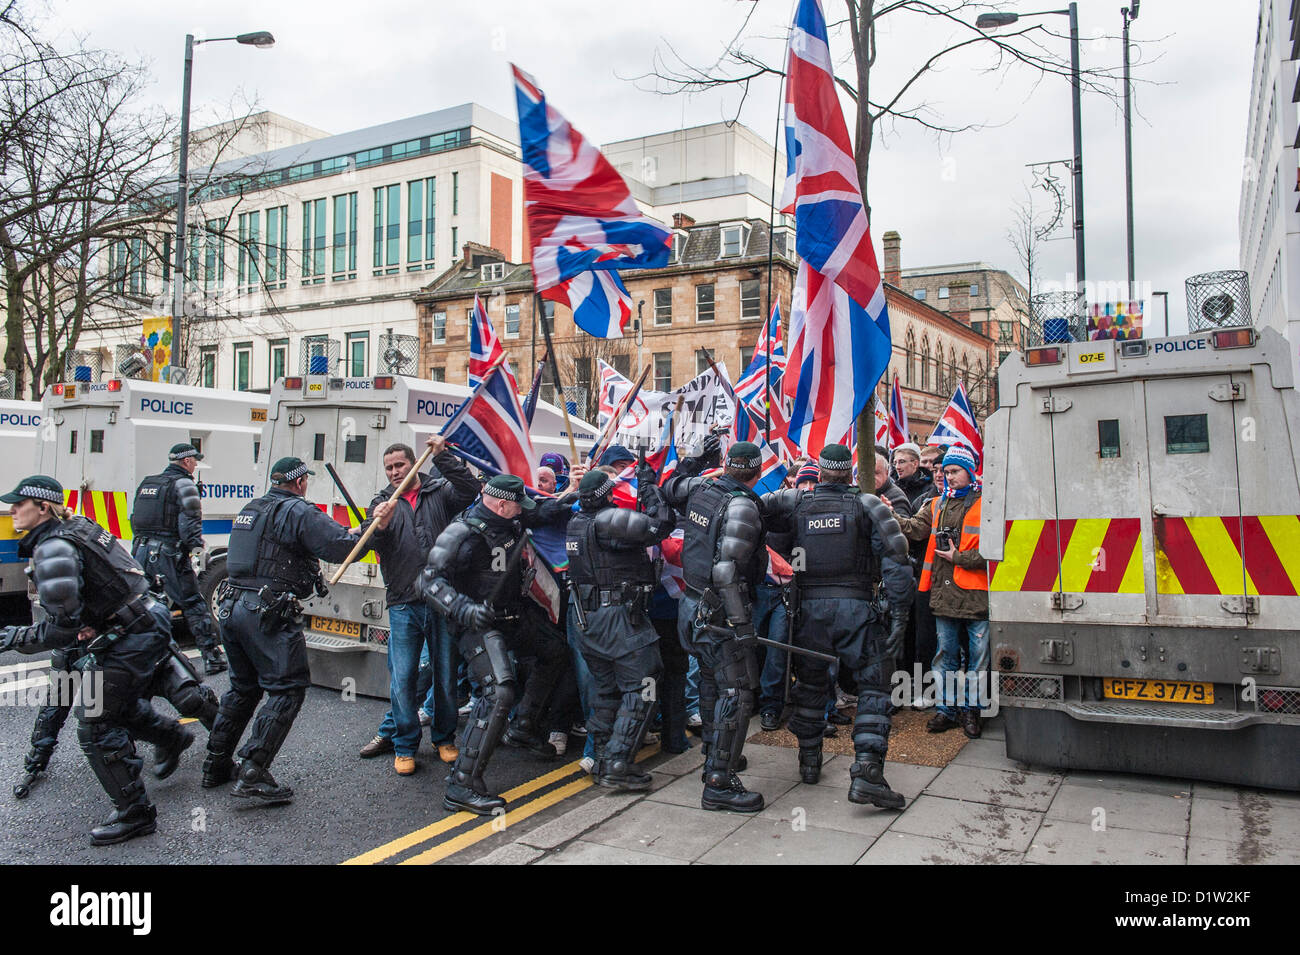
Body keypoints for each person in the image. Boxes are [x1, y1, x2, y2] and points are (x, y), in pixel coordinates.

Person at [0, 476, 194, 845]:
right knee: (113, 709)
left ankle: (135, 814)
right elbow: (111, 580)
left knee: (95, 722)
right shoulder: (77, 526)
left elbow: (59, 630)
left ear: (43, 508)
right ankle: (172, 736)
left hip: (134, 632)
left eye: (18, 504)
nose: (11, 511)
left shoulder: (54, 546)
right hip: (140, 623)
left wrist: (14, 638)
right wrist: (89, 622)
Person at [203, 457, 370, 804]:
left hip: (232, 607)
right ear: (299, 482)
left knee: (243, 689)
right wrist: (373, 529)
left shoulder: (253, 508)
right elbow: (341, 548)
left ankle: (216, 764)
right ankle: (252, 771)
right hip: (267, 614)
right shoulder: (297, 511)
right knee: (288, 689)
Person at [761, 444, 915, 809]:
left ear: (820, 470)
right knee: (875, 687)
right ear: (849, 472)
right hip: (857, 609)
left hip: (809, 611)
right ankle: (867, 772)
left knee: (812, 685)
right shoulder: (869, 505)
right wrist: (899, 615)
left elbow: (754, 515)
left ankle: (809, 761)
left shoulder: (795, 503)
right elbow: (897, 562)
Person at [421, 475, 570, 814]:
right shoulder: (462, 533)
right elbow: (428, 581)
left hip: (514, 616)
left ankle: (524, 727)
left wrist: (577, 493)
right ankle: (462, 784)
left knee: (556, 651)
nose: (523, 509)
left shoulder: (512, 517)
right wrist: (464, 609)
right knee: (499, 691)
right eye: (519, 503)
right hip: (477, 624)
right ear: (501, 504)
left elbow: (545, 510)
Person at [358, 436, 480, 775]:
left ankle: (443, 738)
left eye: (400, 465)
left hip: (441, 600)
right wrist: (378, 524)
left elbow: (470, 490)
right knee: (404, 678)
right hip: (402, 602)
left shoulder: (440, 490)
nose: (395, 472)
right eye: (389, 468)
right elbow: (370, 541)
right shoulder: (382, 502)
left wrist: (443, 456)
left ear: (415, 463)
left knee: (444, 675)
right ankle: (404, 746)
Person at [662, 440, 767, 813]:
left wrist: (692, 461)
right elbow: (726, 572)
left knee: (711, 681)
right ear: (757, 471)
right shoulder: (741, 505)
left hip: (691, 605)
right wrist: (741, 624)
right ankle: (719, 781)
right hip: (718, 612)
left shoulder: (703, 487)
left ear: (726, 463)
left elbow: (669, 487)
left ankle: (714, 751)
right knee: (736, 692)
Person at [566, 469, 677, 789]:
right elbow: (660, 526)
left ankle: (603, 758)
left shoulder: (576, 523)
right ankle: (617, 761)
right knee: (644, 685)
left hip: (589, 620)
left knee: (607, 690)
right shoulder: (607, 521)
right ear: (606, 496)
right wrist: (648, 487)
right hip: (618, 620)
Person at [14, 633, 218, 800]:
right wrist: (38, 755)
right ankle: (168, 739)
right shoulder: (69, 634)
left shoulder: (117, 596)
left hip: (149, 655)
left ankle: (223, 754)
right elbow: (59, 698)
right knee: (101, 725)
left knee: (191, 698)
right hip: (118, 685)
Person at [896, 445, 989, 739]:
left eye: (954, 471)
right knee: (945, 655)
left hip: (976, 596)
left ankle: (971, 710)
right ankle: (947, 709)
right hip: (944, 596)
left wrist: (958, 557)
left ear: (970, 471)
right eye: (945, 472)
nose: (949, 477)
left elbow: (995, 552)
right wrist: (888, 514)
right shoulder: (936, 504)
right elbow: (914, 529)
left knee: (977, 659)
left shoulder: (986, 504)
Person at [130, 443, 227, 675]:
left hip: (141, 551)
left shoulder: (148, 483)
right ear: (186, 462)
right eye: (194, 460)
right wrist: (195, 549)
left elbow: (135, 518)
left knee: (146, 605)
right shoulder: (184, 484)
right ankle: (211, 657)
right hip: (168, 555)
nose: (195, 464)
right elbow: (190, 524)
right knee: (193, 604)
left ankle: (145, 659)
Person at [873, 445, 913, 519]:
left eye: (876, 473)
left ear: (886, 472)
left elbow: (902, 527)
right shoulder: (857, 493)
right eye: (866, 473)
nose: (871, 477)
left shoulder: (896, 497)